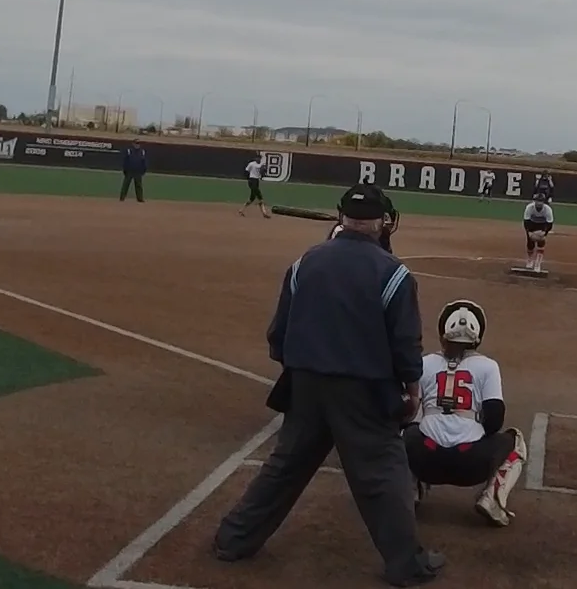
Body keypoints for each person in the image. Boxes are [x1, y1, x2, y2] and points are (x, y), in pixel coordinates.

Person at [212, 185, 444, 586]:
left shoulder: (306, 262)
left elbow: (278, 334)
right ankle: (407, 564)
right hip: (364, 393)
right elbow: (406, 345)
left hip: (306, 384)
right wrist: (411, 390)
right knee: (382, 474)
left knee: (285, 466)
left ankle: (233, 539)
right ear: (383, 220)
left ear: (342, 217)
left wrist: (304, 370)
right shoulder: (393, 273)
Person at [405, 300, 527, 526]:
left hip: (425, 460)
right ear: (477, 337)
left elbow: (407, 411)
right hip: (472, 463)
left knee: (404, 432)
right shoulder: (488, 366)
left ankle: (407, 492)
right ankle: (492, 499)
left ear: (444, 334)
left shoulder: (425, 363)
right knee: (516, 441)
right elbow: (494, 420)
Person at [519, 197, 553, 273]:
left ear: (543, 202)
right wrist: (529, 232)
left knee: (541, 243)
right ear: (535, 201)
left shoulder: (548, 210)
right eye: (537, 201)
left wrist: (545, 233)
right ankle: (530, 260)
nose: (539, 203)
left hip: (542, 226)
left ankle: (538, 264)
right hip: (532, 225)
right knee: (530, 244)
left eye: (541, 201)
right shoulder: (529, 208)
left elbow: (549, 224)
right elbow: (526, 222)